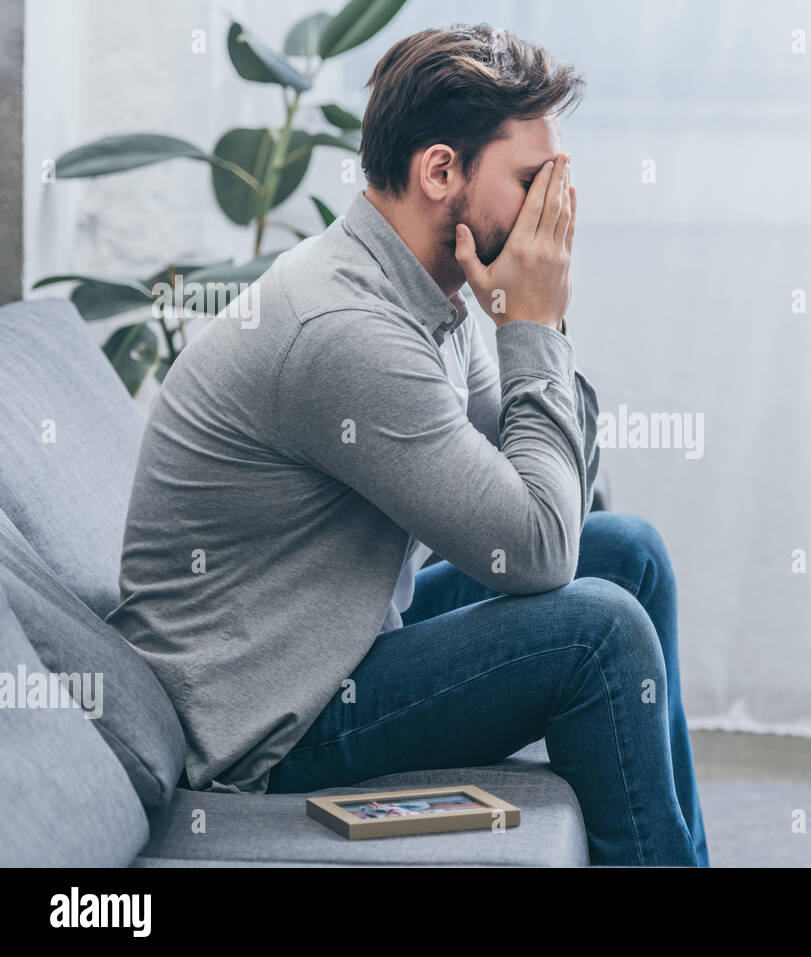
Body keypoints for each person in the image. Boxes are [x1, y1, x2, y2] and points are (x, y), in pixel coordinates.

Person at [106, 23, 708, 868]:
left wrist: (539, 324)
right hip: (268, 719)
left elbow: (556, 485)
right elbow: (534, 550)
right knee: (596, 633)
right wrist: (531, 324)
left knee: (628, 554)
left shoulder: (426, 288)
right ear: (439, 172)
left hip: (341, 641)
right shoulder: (348, 330)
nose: (554, 211)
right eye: (533, 183)